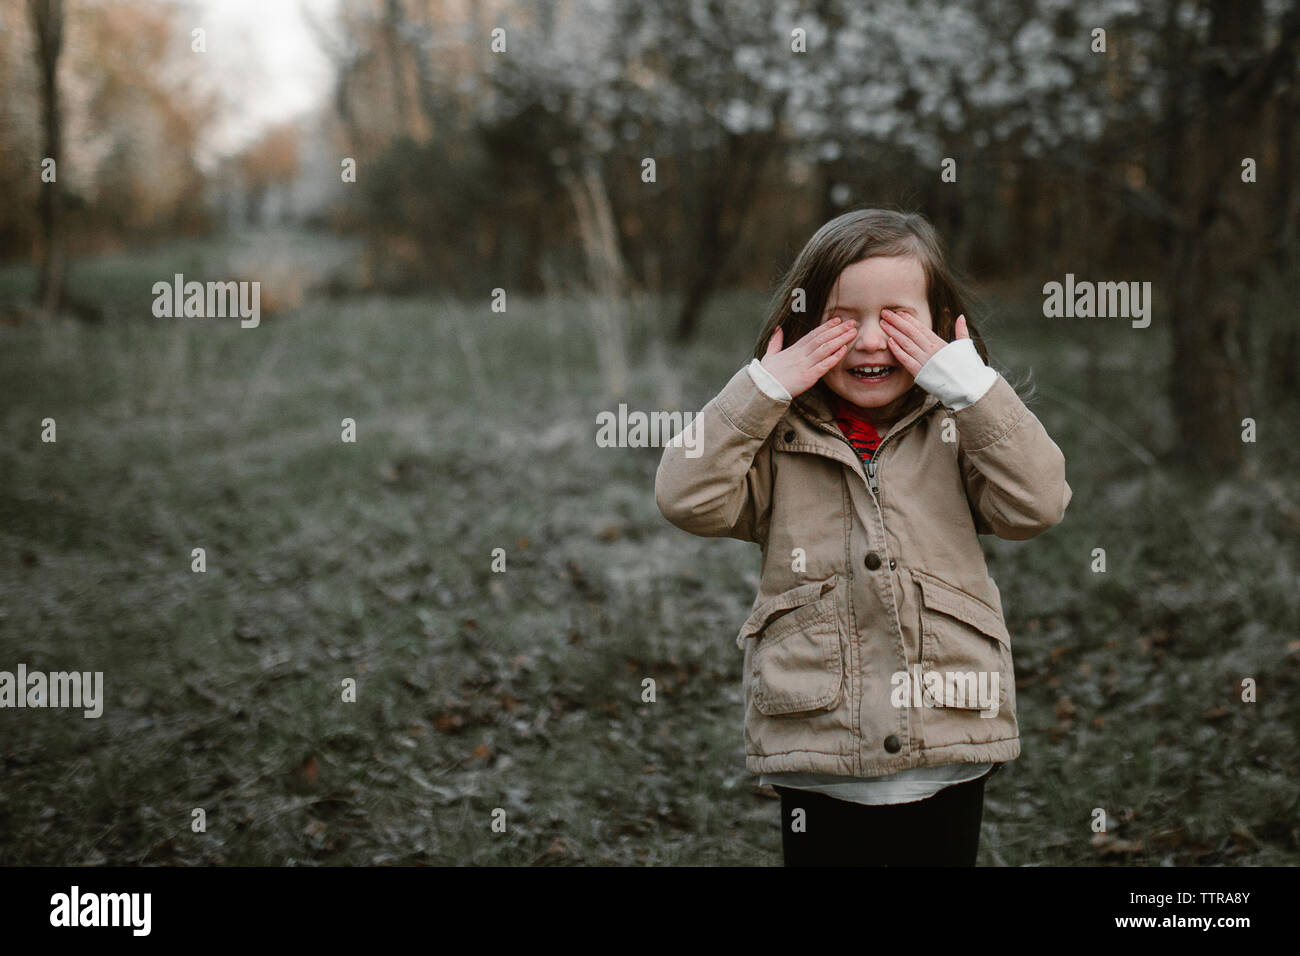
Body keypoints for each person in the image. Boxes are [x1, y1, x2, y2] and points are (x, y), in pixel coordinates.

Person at [655, 208, 1072, 866]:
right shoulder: (776, 438)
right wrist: (762, 389)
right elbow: (683, 495)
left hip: (946, 747)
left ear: (942, 328)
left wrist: (975, 391)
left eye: (898, 318)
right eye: (843, 319)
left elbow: (1040, 503)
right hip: (819, 751)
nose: (870, 342)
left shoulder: (958, 429)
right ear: (798, 328)